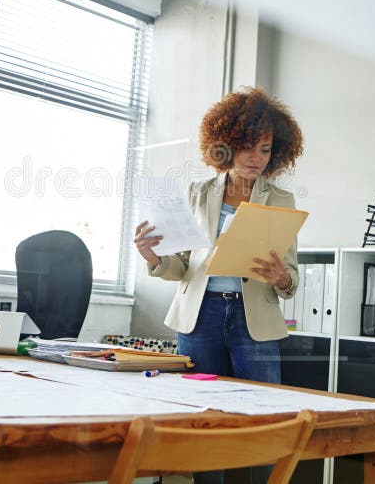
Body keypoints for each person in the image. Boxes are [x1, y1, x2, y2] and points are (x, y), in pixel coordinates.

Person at [133, 86, 304, 484]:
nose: (255, 159)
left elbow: (291, 279)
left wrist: (282, 278)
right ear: (225, 146)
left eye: (264, 150)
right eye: (247, 148)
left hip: (253, 321)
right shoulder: (196, 194)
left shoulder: (281, 199)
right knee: (203, 420)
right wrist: (153, 258)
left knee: (264, 420)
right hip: (201, 317)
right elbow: (182, 267)